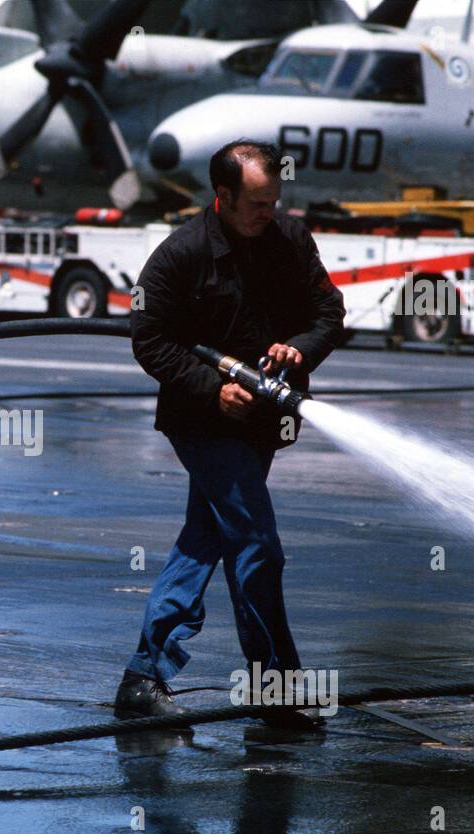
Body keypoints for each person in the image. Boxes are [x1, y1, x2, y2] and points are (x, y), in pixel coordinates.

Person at [114, 139, 345, 730]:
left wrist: (300, 347)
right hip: (201, 421)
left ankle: (143, 678)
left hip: (263, 421)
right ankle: (275, 686)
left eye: (274, 201)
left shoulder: (289, 240)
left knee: (206, 538)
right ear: (223, 197)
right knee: (256, 544)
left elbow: (328, 313)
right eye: (257, 203)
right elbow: (150, 338)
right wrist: (211, 388)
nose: (269, 213)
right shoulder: (180, 255)